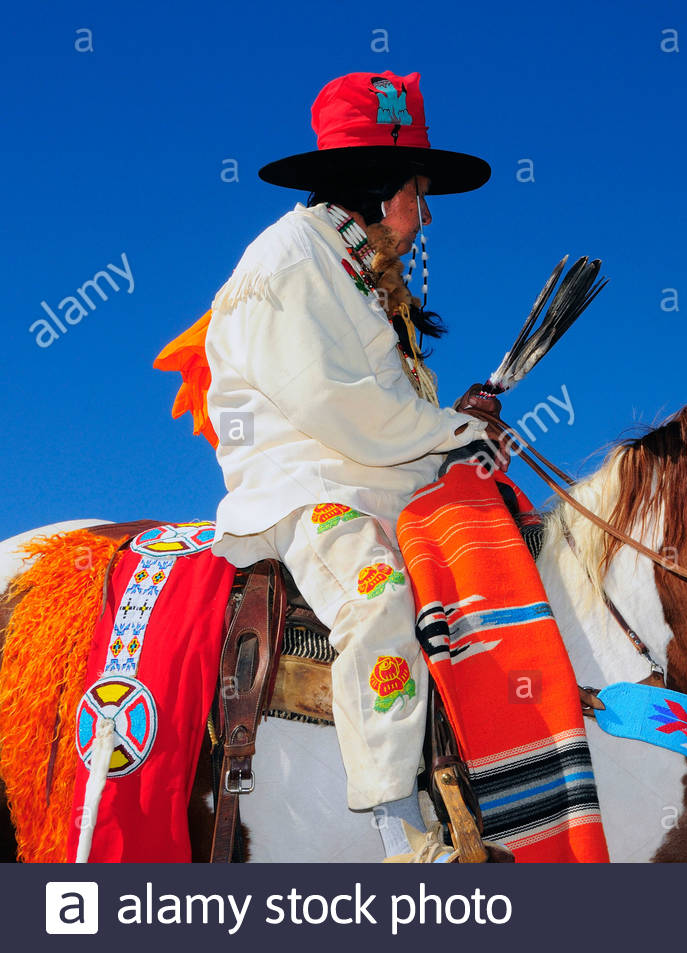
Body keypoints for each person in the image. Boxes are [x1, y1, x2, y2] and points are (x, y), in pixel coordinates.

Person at [201, 70, 505, 857]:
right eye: (418, 191)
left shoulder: (352, 270)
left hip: (370, 475)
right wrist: (448, 432)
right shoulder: (289, 256)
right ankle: (397, 823)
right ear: (374, 185)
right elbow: (338, 406)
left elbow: (385, 413)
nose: (426, 213)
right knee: (380, 595)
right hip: (309, 485)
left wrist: (452, 425)